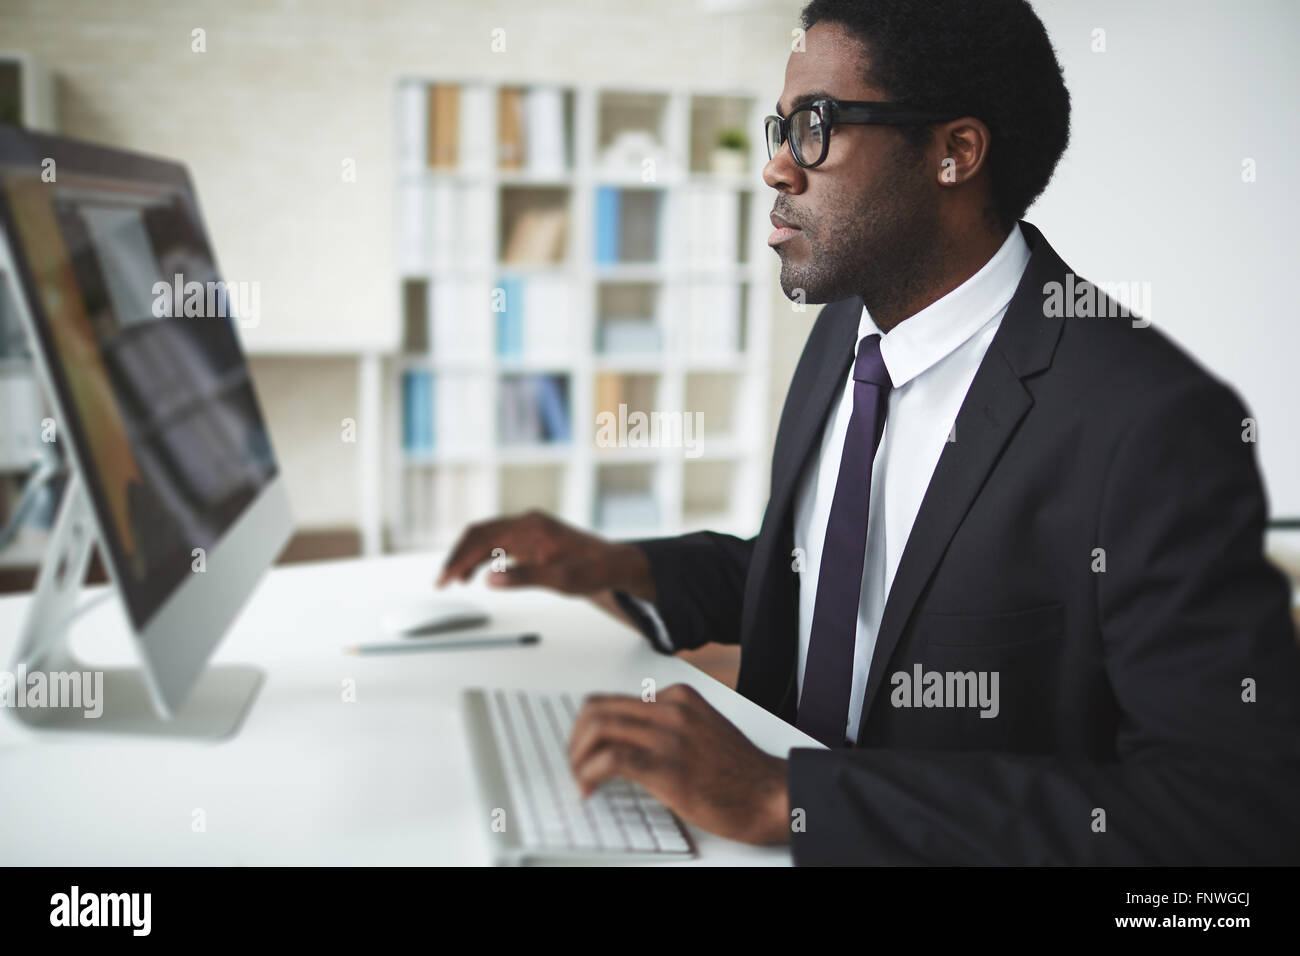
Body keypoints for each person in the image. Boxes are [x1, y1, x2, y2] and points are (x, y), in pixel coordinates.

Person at [439, 0, 1300, 864]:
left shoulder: (1153, 424)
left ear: (954, 153)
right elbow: (823, 579)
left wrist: (791, 798)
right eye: (780, 126)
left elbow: (1227, 810)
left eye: (816, 125)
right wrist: (621, 566)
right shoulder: (847, 332)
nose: (776, 168)